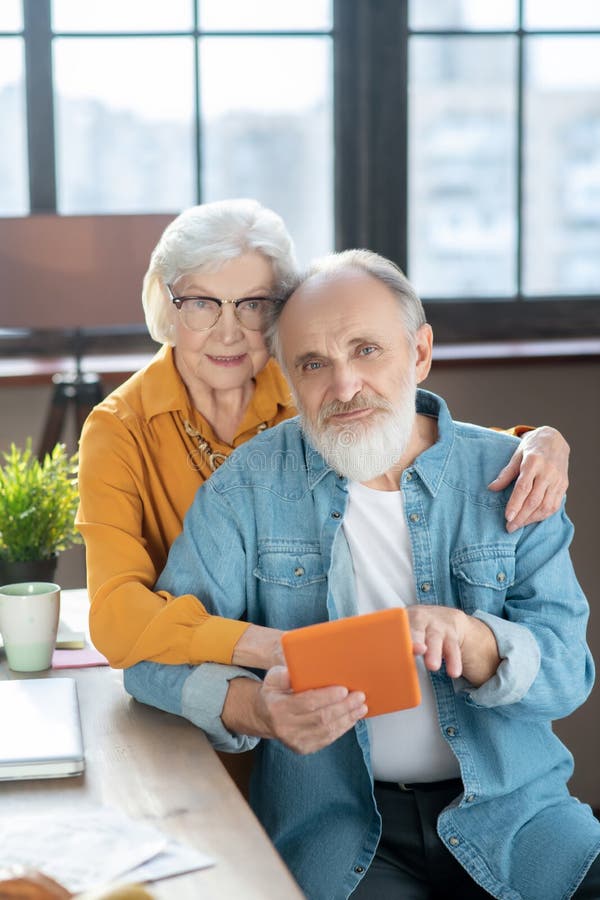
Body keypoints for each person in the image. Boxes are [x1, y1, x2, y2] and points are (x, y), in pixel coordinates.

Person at [124, 249, 600, 900]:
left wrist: (478, 643)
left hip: (519, 818)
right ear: (288, 376)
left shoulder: (515, 476)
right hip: (338, 834)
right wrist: (257, 709)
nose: (344, 386)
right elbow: (149, 657)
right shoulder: (244, 491)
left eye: (366, 350)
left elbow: (568, 676)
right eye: (313, 364)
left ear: (419, 352)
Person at [77, 200, 570, 677]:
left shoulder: (311, 384)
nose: (228, 333)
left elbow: (413, 437)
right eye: (201, 303)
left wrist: (534, 442)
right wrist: (277, 650)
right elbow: (116, 615)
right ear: (168, 306)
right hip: (207, 682)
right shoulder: (120, 426)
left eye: (253, 304)